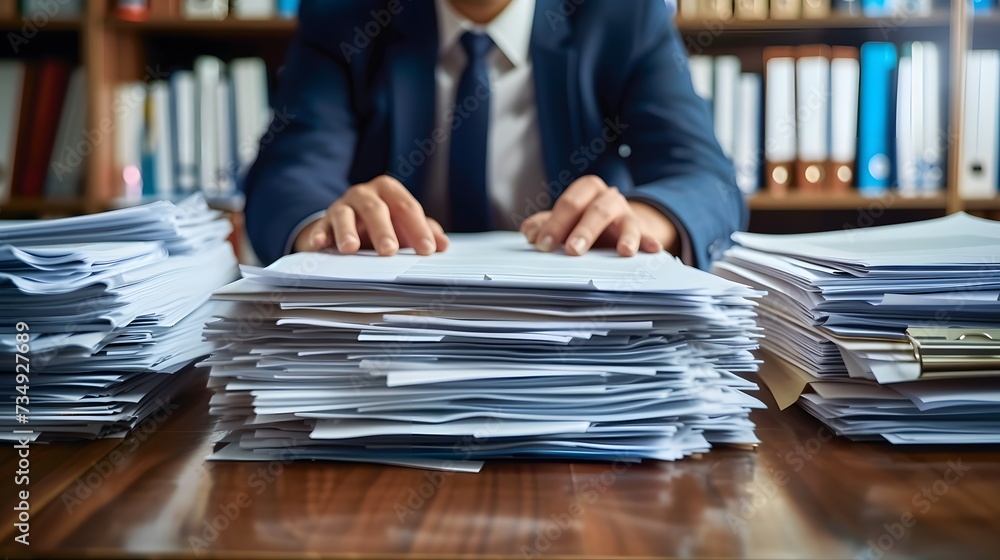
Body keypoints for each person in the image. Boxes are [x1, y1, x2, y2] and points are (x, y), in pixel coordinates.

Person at [243, 0, 746, 270]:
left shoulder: (622, 15)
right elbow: (288, 172)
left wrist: (646, 218)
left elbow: (706, 179)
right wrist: (324, 228)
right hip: (391, 335)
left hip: (579, 331)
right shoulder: (345, 16)